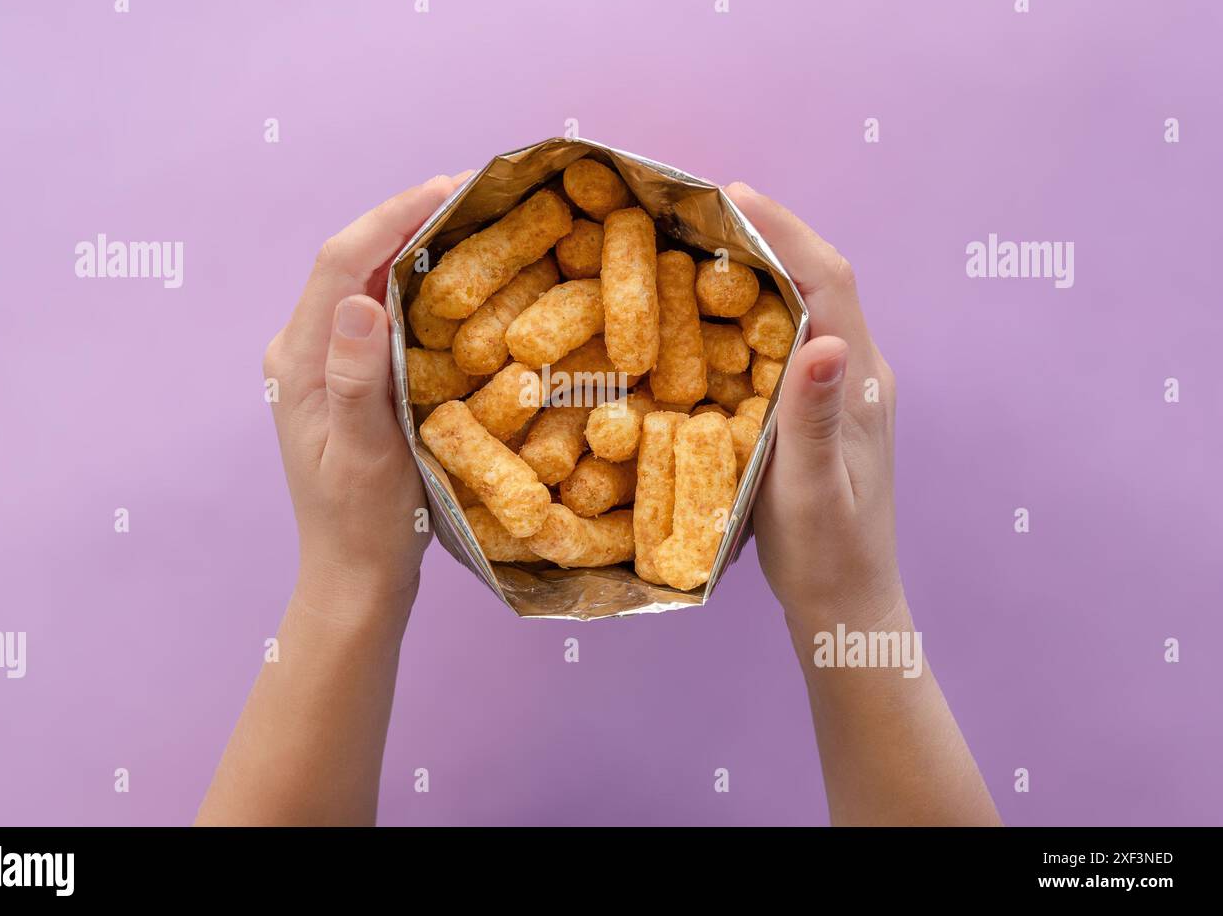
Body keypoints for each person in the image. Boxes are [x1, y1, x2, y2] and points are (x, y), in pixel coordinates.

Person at [195, 173, 1001, 827]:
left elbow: (650, 390)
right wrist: (856, 608)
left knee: (580, 413)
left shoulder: (632, 371)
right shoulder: (604, 363)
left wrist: (347, 584)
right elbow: (638, 392)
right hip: (573, 418)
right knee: (566, 415)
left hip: (581, 418)